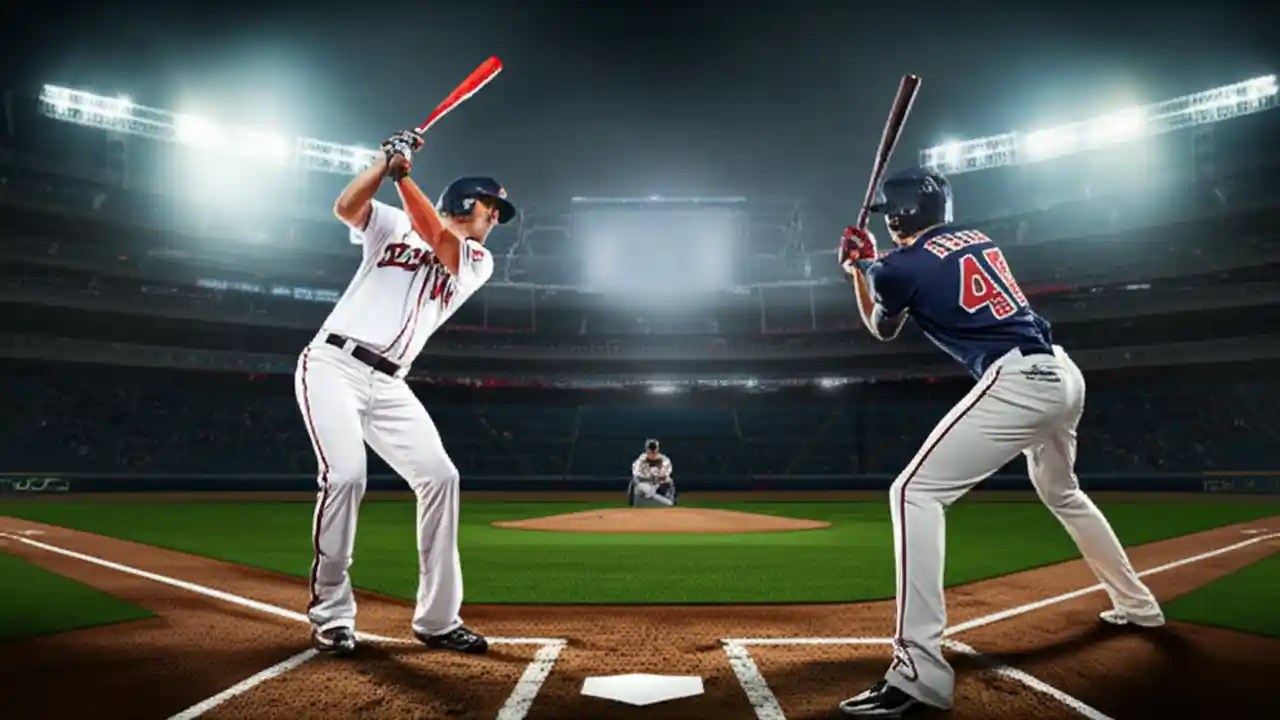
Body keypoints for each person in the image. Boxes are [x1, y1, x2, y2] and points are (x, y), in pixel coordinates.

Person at [835, 168, 1163, 717]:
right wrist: (865, 267)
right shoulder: (976, 238)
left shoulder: (897, 266)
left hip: (1020, 380)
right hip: (1063, 373)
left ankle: (918, 670)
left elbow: (880, 325)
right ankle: (1139, 604)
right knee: (1064, 493)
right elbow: (902, 277)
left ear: (898, 215)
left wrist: (857, 267)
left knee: (913, 493)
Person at [295, 129, 516, 657]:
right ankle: (330, 615)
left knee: (441, 477)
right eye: (492, 208)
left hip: (390, 383)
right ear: (468, 201)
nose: (495, 220)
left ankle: (438, 620)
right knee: (346, 476)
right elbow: (347, 205)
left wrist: (403, 174)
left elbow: (439, 241)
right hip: (333, 364)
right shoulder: (391, 223)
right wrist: (383, 163)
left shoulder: (477, 261)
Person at [629, 438, 676, 506]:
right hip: (644, 487)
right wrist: (651, 481)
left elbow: (665, 476)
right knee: (635, 483)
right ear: (647, 450)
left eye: (654, 450)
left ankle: (667, 502)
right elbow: (637, 476)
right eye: (650, 450)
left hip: (659, 487)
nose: (652, 453)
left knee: (670, 481)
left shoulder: (664, 460)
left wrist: (656, 484)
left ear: (657, 449)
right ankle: (637, 504)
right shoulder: (640, 461)